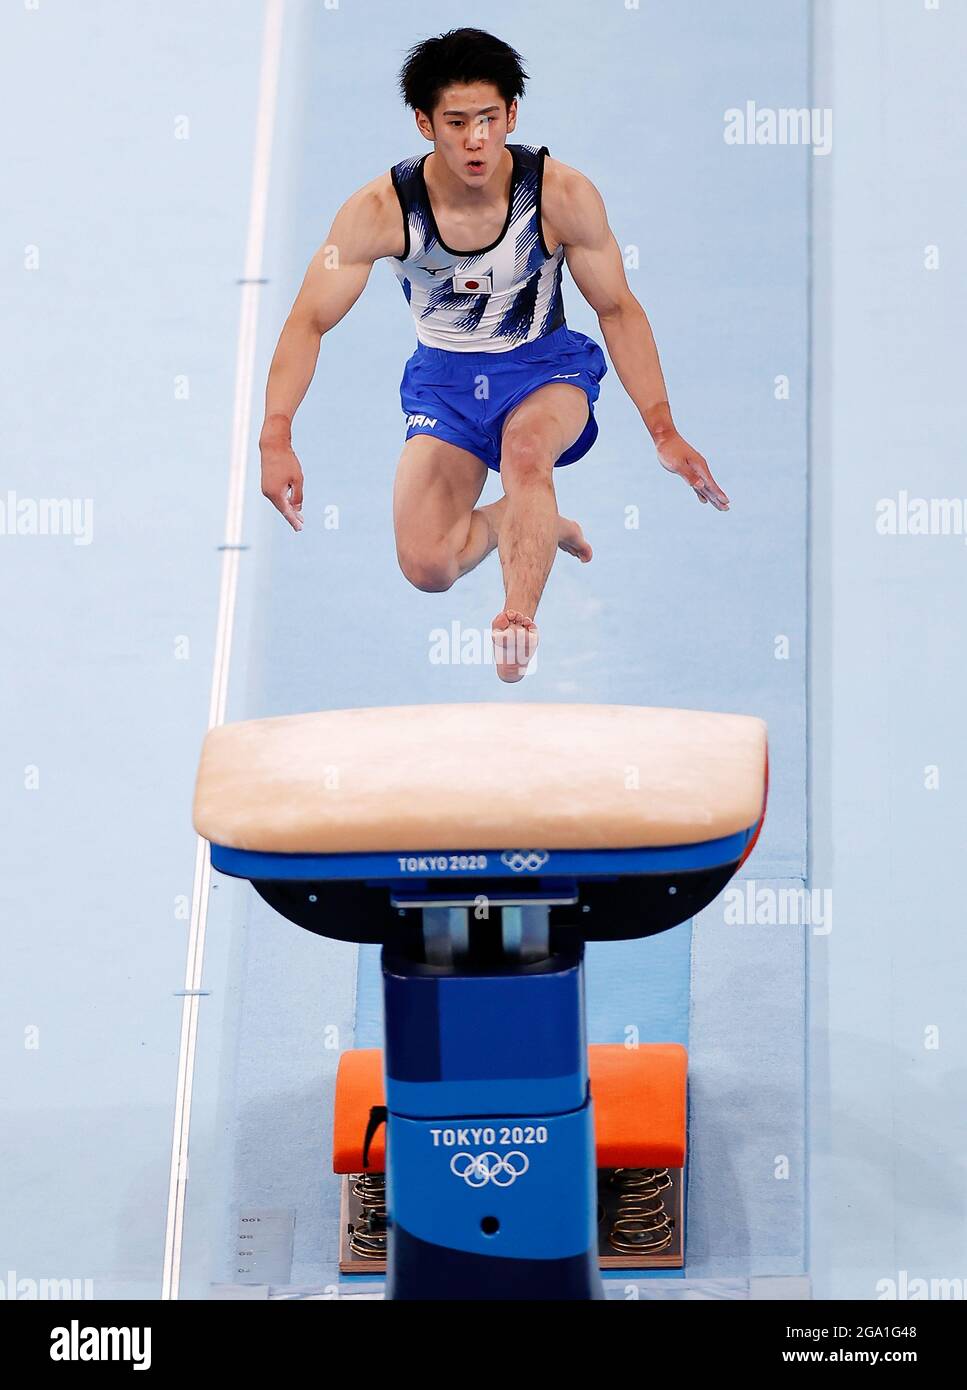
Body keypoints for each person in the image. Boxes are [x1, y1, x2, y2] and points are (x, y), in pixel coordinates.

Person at [259, 27, 729, 682]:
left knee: (526, 455)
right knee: (427, 565)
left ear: (512, 113)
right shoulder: (378, 212)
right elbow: (308, 321)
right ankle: (532, 521)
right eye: (456, 122)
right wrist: (275, 436)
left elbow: (617, 309)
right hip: (443, 384)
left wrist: (663, 428)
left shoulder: (560, 198)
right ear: (424, 123)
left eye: (488, 119)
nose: (475, 139)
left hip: (542, 369)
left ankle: (516, 620)